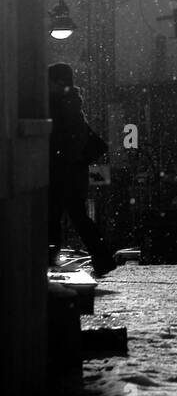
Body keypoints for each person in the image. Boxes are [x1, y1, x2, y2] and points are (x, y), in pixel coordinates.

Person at [48, 62, 115, 277]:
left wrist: (61, 159)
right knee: (75, 216)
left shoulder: (62, 105)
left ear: (58, 82)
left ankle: (50, 258)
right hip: (72, 171)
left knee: (57, 215)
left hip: (65, 170)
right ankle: (103, 257)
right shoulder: (70, 104)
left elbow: (65, 140)